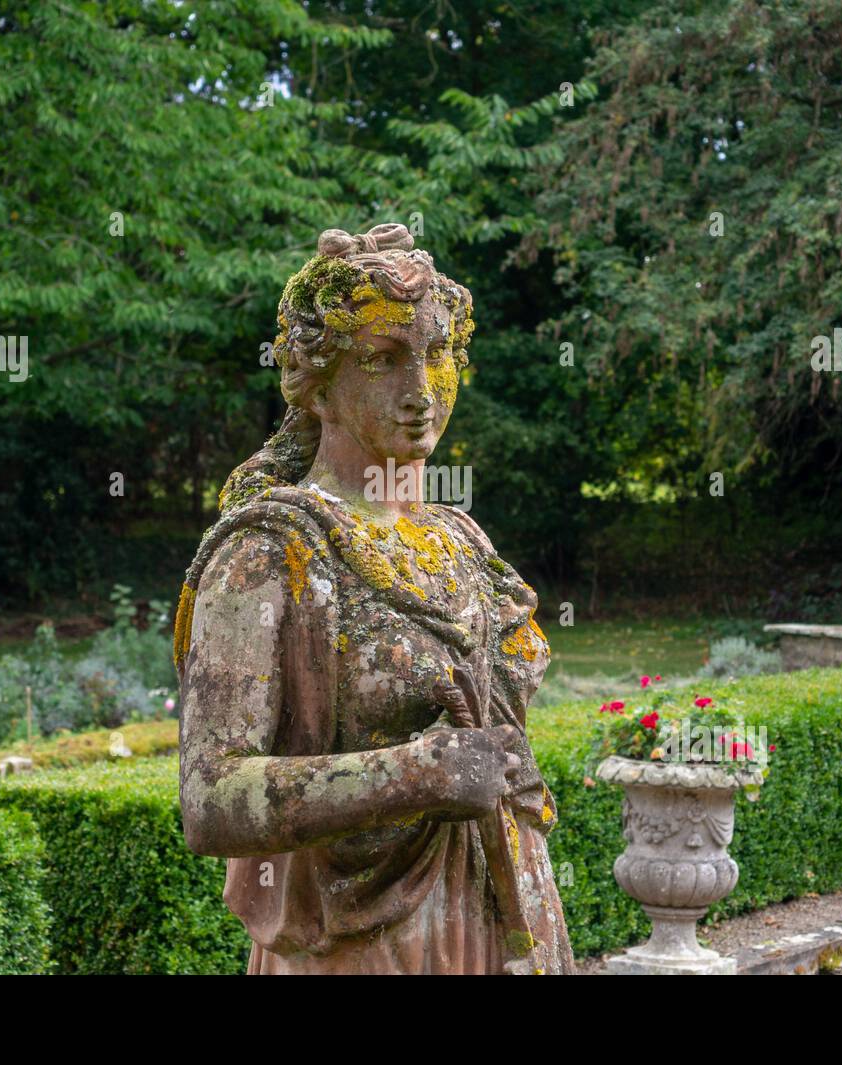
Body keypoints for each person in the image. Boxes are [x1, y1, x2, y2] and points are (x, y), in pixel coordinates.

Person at [175, 223, 574, 974]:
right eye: (384, 360)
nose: (421, 391)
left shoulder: (462, 543)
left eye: (438, 356)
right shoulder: (270, 551)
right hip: (355, 948)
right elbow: (211, 797)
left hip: (492, 925)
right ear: (319, 382)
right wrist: (416, 776)